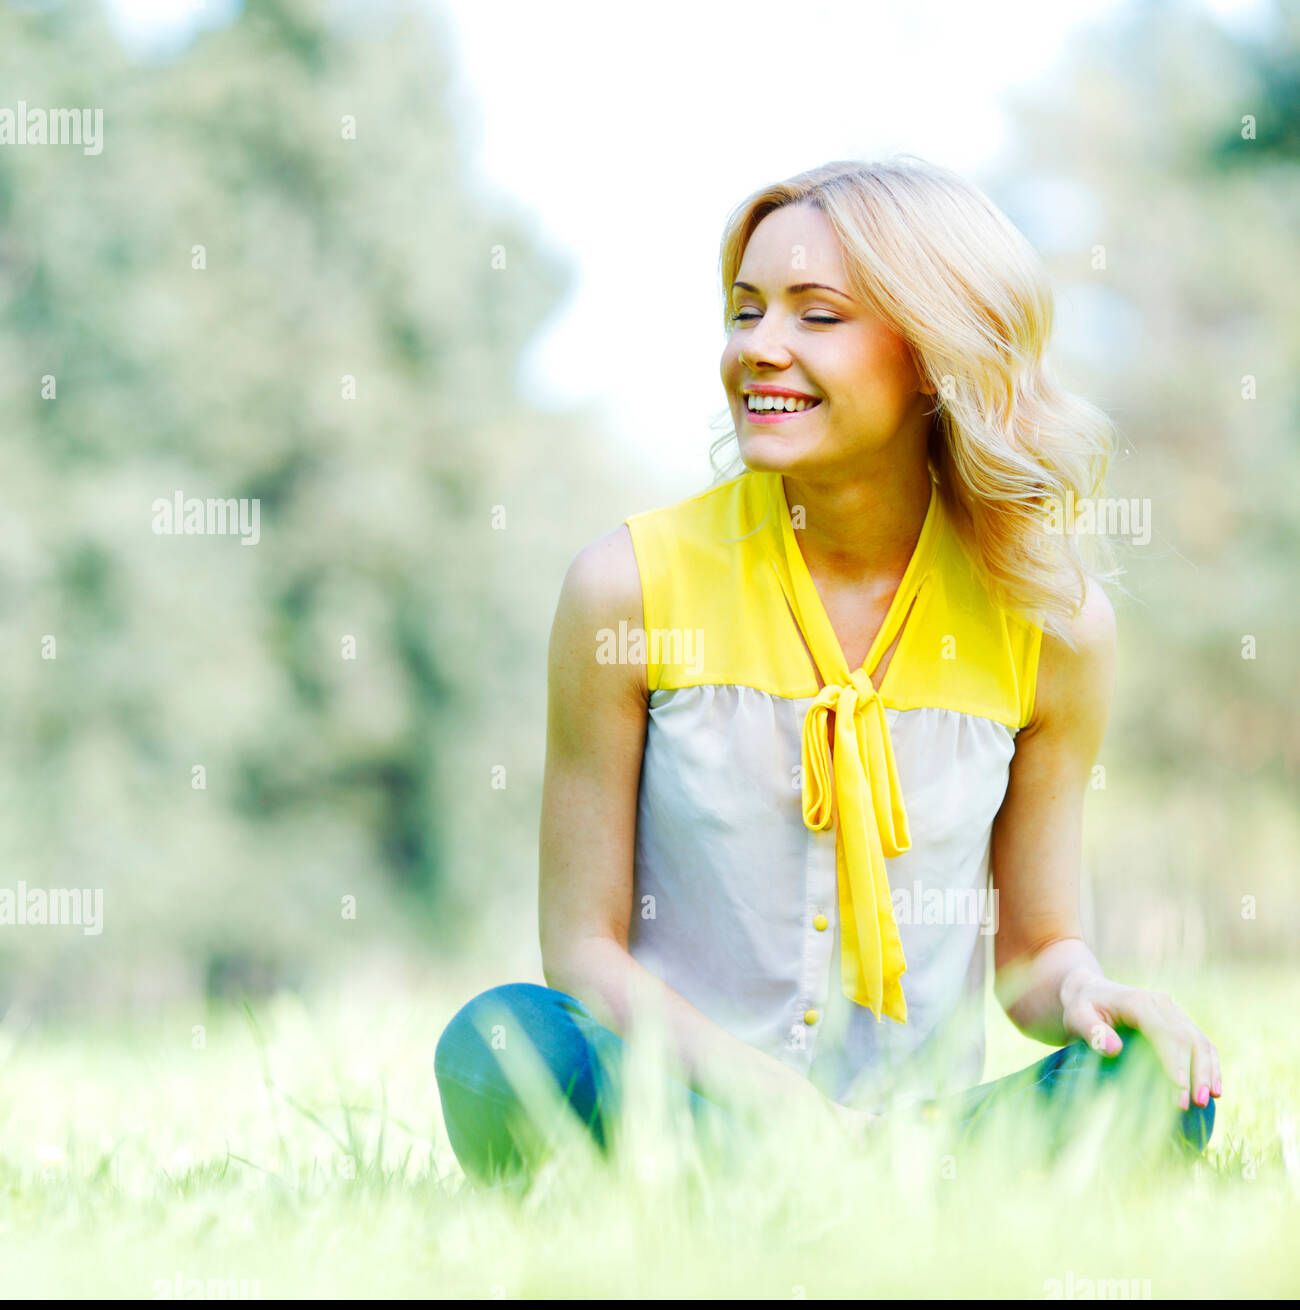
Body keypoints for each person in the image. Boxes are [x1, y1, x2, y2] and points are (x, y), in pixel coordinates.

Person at [435, 156, 1220, 1189]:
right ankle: (801, 1192)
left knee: (1157, 1088)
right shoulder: (623, 587)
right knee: (501, 1043)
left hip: (920, 1134)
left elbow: (1033, 949)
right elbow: (583, 950)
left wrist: (1086, 992)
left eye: (816, 316)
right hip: (687, 1113)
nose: (758, 348)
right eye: (745, 309)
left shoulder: (1054, 625)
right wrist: (782, 1112)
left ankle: (869, 1190)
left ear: (934, 353)